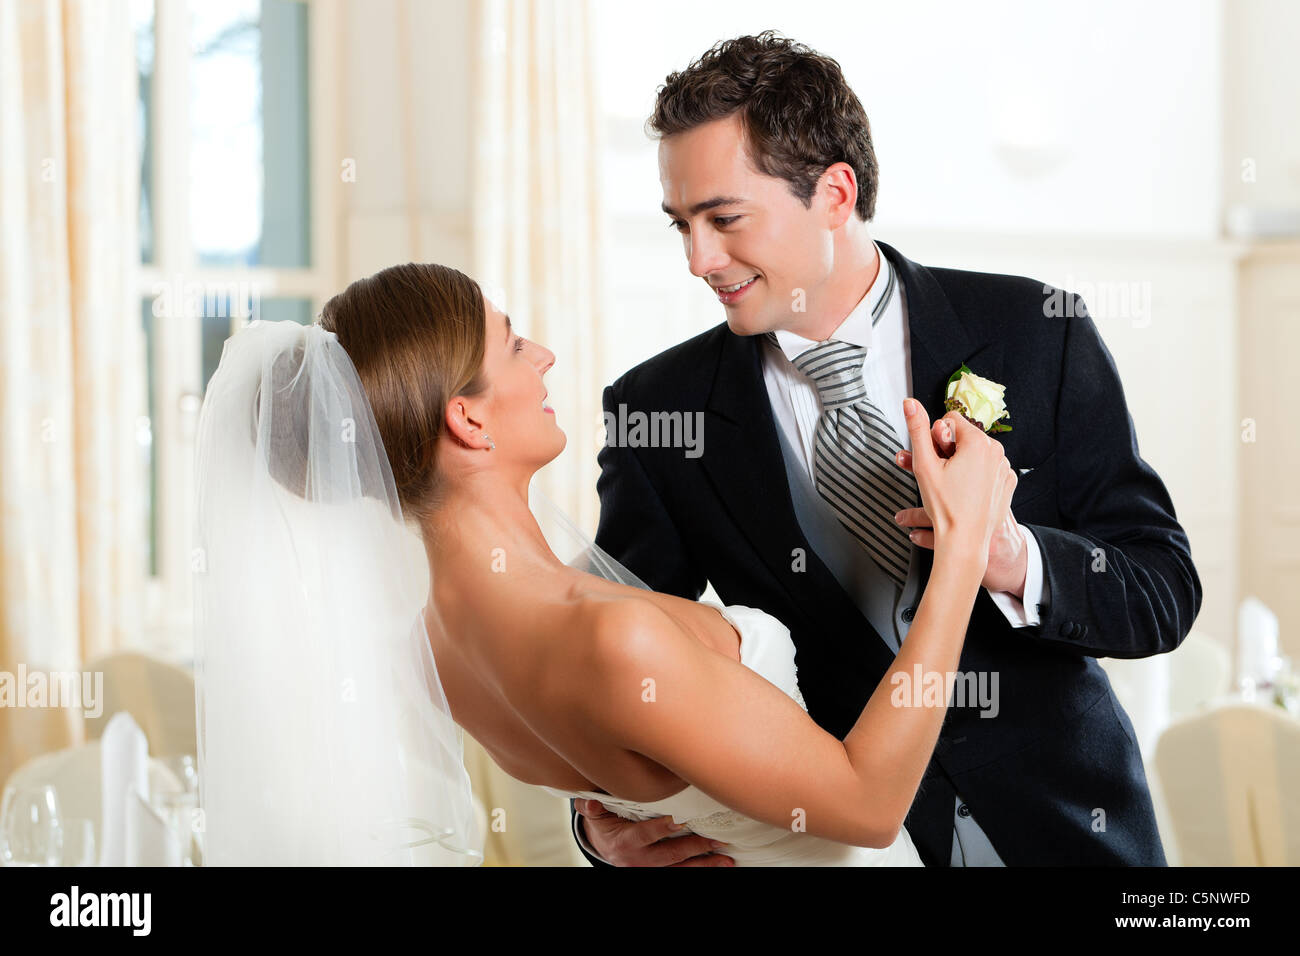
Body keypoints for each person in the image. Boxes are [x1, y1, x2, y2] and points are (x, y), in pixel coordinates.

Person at [571, 31, 1202, 867]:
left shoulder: (1034, 331)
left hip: (1071, 833)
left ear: (835, 194)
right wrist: (600, 826)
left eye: (723, 219)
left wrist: (1007, 554)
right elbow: (613, 657)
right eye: (681, 225)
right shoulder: (658, 410)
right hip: (844, 850)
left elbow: (1163, 590)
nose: (698, 259)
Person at [196, 260, 1015, 866]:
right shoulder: (613, 639)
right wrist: (962, 544)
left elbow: (631, 764)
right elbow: (867, 807)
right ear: (468, 422)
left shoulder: (431, 651)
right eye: (514, 344)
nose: (545, 356)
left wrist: (604, 839)